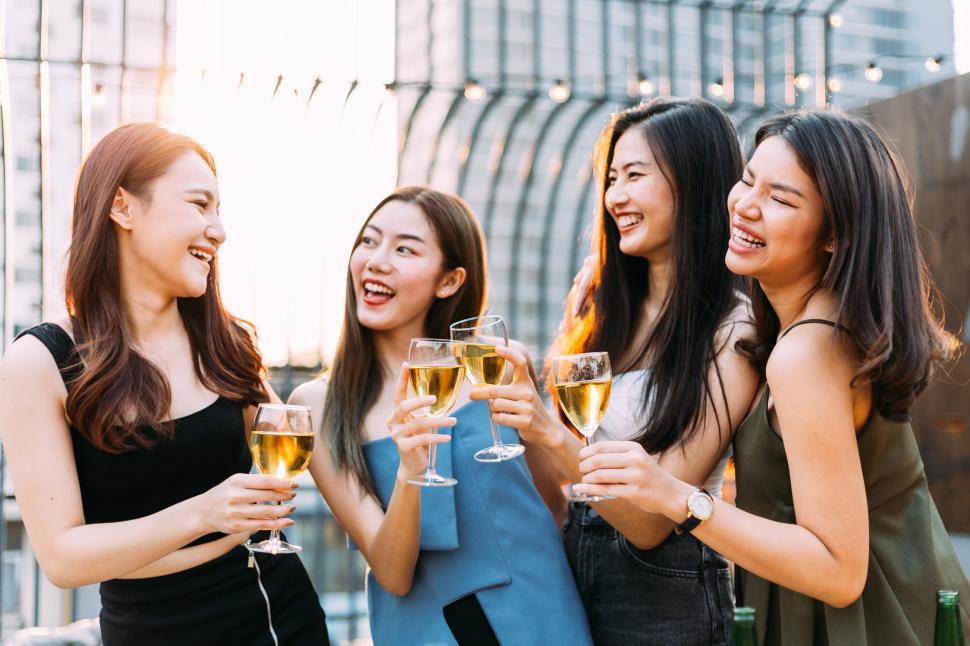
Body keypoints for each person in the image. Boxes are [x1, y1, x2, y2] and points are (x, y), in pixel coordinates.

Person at [577, 109, 970, 644]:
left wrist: (674, 495)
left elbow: (838, 570)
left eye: (780, 199)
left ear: (834, 236)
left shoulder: (805, 353)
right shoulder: (812, 327)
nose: (744, 206)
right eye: (747, 180)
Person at [0, 123, 329, 645]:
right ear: (122, 207)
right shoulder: (39, 362)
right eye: (199, 205)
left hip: (281, 620)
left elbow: (291, 450)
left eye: (219, 211)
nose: (218, 230)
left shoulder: (227, 343)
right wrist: (206, 514)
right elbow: (62, 557)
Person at [469, 98, 759, 645]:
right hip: (572, 564)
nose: (614, 196)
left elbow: (652, 523)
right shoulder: (600, 301)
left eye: (635, 175)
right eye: (611, 177)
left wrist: (548, 431)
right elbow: (562, 477)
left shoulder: (733, 330)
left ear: (693, 182)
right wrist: (524, 409)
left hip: (667, 588)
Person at [289, 186, 592, 645]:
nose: (376, 260)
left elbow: (554, 505)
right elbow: (392, 573)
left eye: (404, 249)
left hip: (540, 615)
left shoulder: (498, 367)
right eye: (368, 242)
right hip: (421, 629)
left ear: (449, 281)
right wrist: (411, 471)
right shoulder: (317, 405)